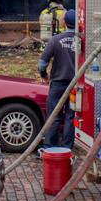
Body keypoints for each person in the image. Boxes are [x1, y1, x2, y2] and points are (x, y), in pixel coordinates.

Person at [38, 8, 77, 148]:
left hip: (58, 85)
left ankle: (49, 147)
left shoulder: (55, 40)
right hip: (75, 86)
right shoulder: (82, 41)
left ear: (64, 22)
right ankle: (67, 148)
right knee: (71, 117)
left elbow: (42, 63)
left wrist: (44, 75)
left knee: (54, 115)